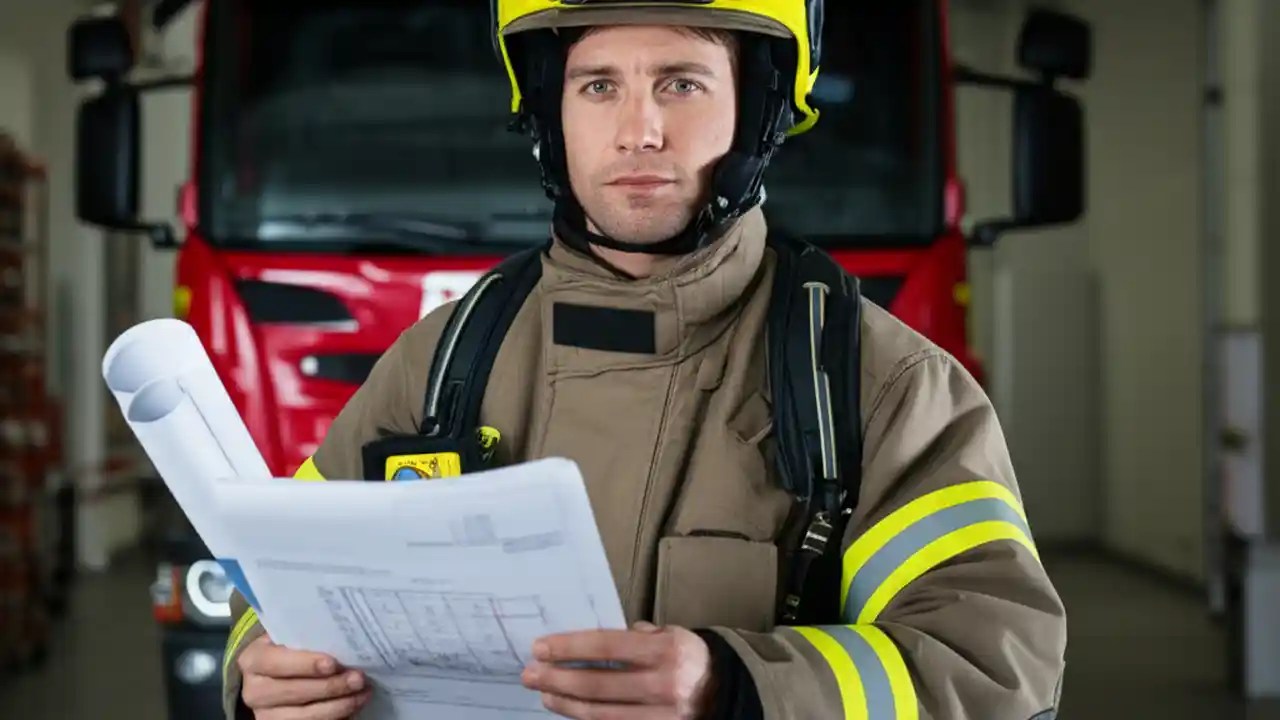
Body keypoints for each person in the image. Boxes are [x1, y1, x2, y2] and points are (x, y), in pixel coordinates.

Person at [221, 2, 1068, 718]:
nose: (638, 131)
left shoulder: (883, 387)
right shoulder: (438, 361)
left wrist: (736, 687)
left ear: (759, 109)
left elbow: (998, 667)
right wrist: (261, 665)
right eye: (599, 86)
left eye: (681, 83)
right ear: (551, 111)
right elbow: (277, 584)